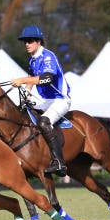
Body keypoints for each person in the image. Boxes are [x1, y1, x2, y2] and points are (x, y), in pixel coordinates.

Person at [9, 25, 71, 176]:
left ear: (38, 42)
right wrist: (26, 94)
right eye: (25, 42)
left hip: (60, 100)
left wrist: (22, 80)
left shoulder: (48, 56)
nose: (27, 44)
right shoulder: (32, 60)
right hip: (45, 100)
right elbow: (31, 79)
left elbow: (47, 79)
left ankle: (59, 163)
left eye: (30, 41)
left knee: (43, 122)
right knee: (24, 114)